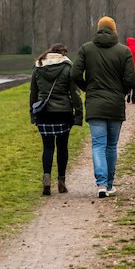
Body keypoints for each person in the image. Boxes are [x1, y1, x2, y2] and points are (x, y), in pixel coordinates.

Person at [72, 16, 135, 198]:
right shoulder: (123, 51)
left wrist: (88, 88)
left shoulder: (86, 49)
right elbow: (131, 79)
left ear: (98, 29)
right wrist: (121, 92)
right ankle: (109, 184)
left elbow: (74, 73)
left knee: (98, 144)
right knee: (111, 146)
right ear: (114, 30)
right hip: (115, 104)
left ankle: (100, 183)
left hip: (95, 103)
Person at [29, 43, 82, 196]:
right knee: (62, 146)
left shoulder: (38, 66)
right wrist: (78, 114)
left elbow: (33, 93)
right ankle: (61, 181)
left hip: (44, 113)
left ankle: (46, 178)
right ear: (63, 53)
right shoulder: (67, 67)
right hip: (63, 112)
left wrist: (32, 113)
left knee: (47, 147)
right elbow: (74, 93)